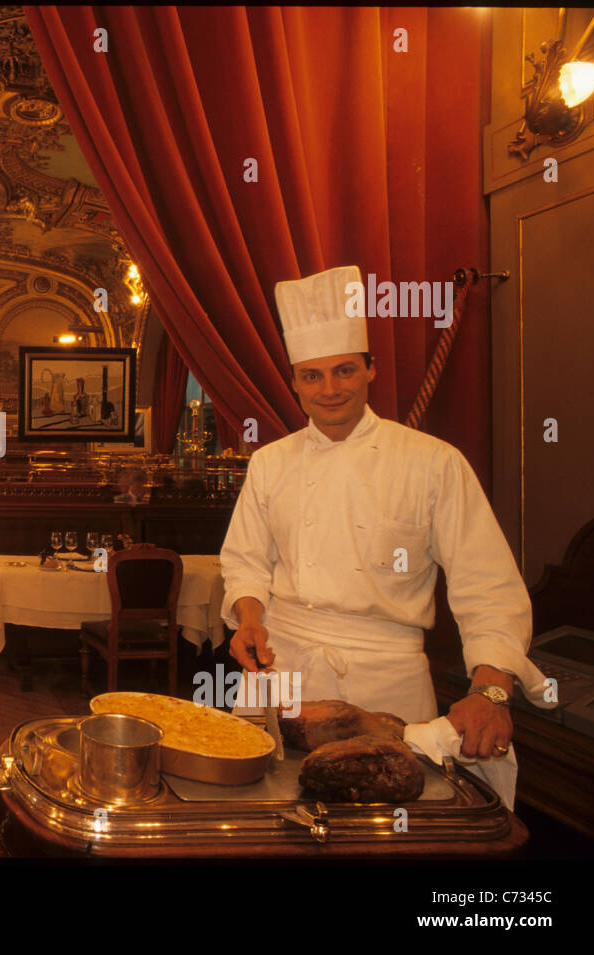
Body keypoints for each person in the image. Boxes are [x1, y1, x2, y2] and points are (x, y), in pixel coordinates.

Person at [220, 265, 550, 760]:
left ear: (371, 368)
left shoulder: (433, 462)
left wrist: (490, 690)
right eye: (313, 375)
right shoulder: (270, 463)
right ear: (294, 382)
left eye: (345, 369)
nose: (330, 388)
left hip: (387, 688)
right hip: (277, 674)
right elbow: (246, 561)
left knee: (387, 820)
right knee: (262, 813)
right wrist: (249, 617)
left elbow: (488, 586)